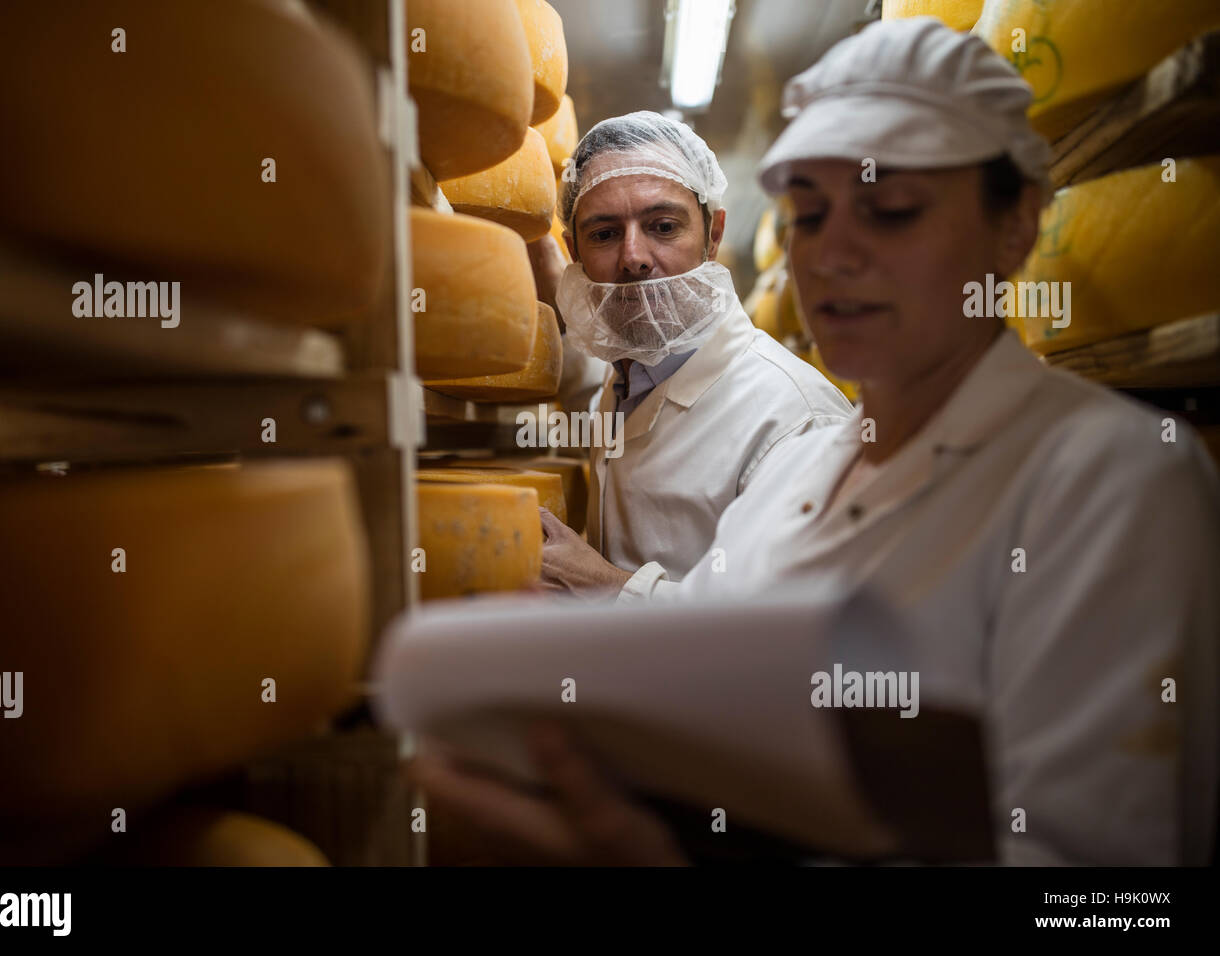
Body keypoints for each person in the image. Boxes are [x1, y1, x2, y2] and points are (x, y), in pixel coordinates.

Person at [406, 17, 1220, 866]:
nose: (834, 255)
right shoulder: (806, 478)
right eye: (811, 213)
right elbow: (711, 704)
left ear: (1016, 225)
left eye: (892, 211)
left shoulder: (1110, 480)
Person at [536, 111, 852, 592]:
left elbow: (801, 624)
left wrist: (604, 584)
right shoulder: (628, 379)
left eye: (663, 226)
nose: (633, 257)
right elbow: (629, 418)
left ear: (713, 235)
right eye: (604, 234)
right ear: (574, 254)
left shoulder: (796, 421)